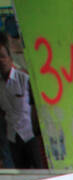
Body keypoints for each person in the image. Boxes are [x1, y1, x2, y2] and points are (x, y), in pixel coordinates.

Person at [0, 40, 43, 169]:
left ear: (10, 58)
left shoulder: (24, 79)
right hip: (12, 137)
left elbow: (36, 106)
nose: (1, 61)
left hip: (30, 135)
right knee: (22, 173)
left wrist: (37, 134)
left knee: (39, 171)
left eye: (3, 56)